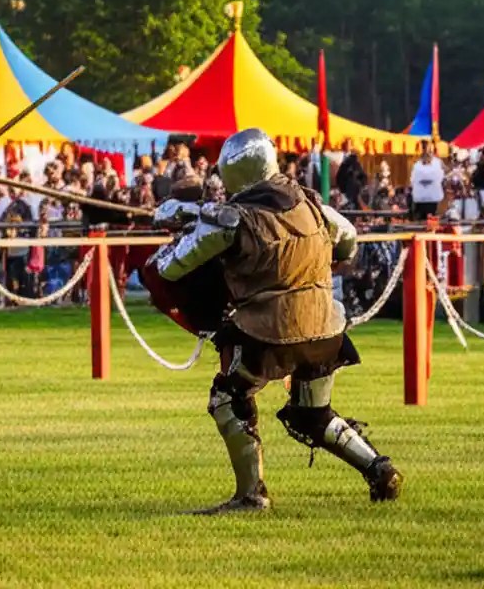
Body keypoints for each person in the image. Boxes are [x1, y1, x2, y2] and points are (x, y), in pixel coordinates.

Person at [145, 128, 402, 514]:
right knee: (313, 413)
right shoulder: (312, 205)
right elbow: (347, 239)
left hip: (268, 331)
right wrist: (198, 216)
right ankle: (378, 468)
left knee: (228, 400)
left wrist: (187, 225)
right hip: (324, 326)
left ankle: (252, 495)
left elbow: (167, 268)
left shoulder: (231, 220)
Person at [410, 141, 444, 220]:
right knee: (431, 216)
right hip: (432, 198)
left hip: (421, 198)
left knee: (422, 217)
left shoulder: (417, 166)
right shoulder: (436, 165)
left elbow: (412, 180)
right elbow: (441, 177)